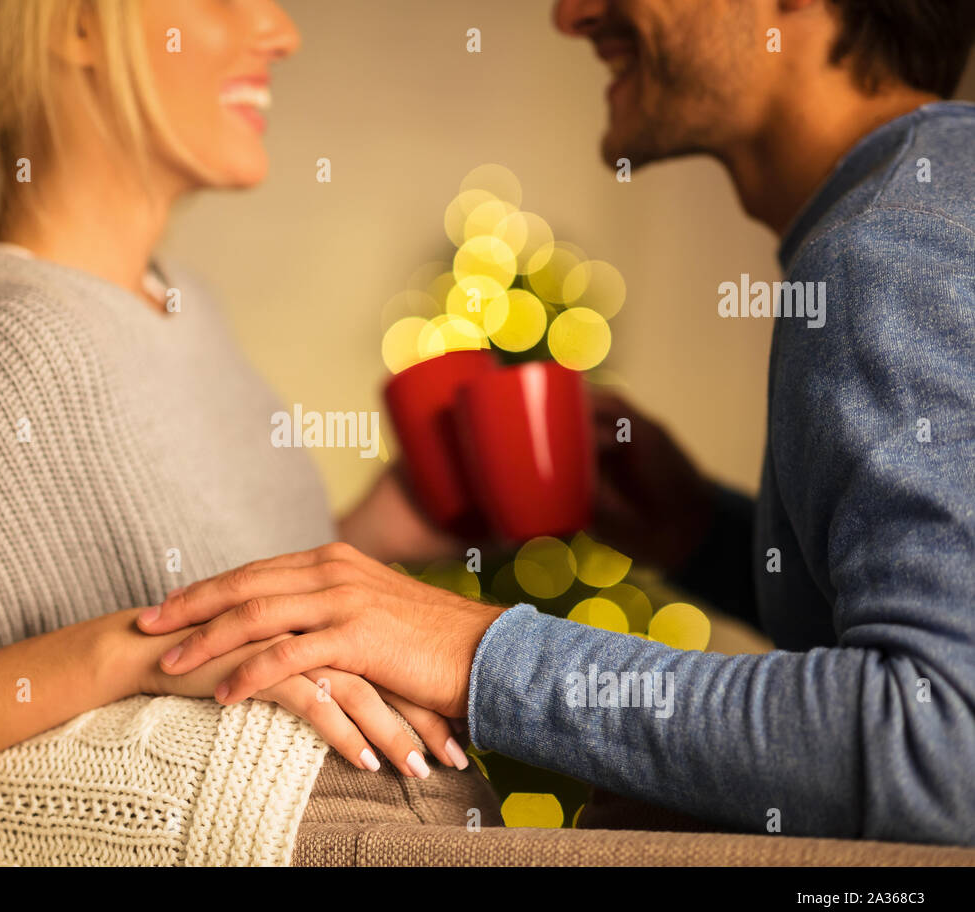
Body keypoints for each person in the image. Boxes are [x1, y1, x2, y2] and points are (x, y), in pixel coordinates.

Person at [0, 0, 494, 867]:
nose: (281, 30)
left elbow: (150, 575)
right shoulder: (12, 349)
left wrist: (369, 533)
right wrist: (125, 652)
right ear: (73, 23)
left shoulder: (176, 304)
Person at [141, 0, 975, 845]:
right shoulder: (930, 203)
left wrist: (475, 651)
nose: (571, 15)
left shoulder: (888, 248)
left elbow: (944, 743)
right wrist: (705, 537)